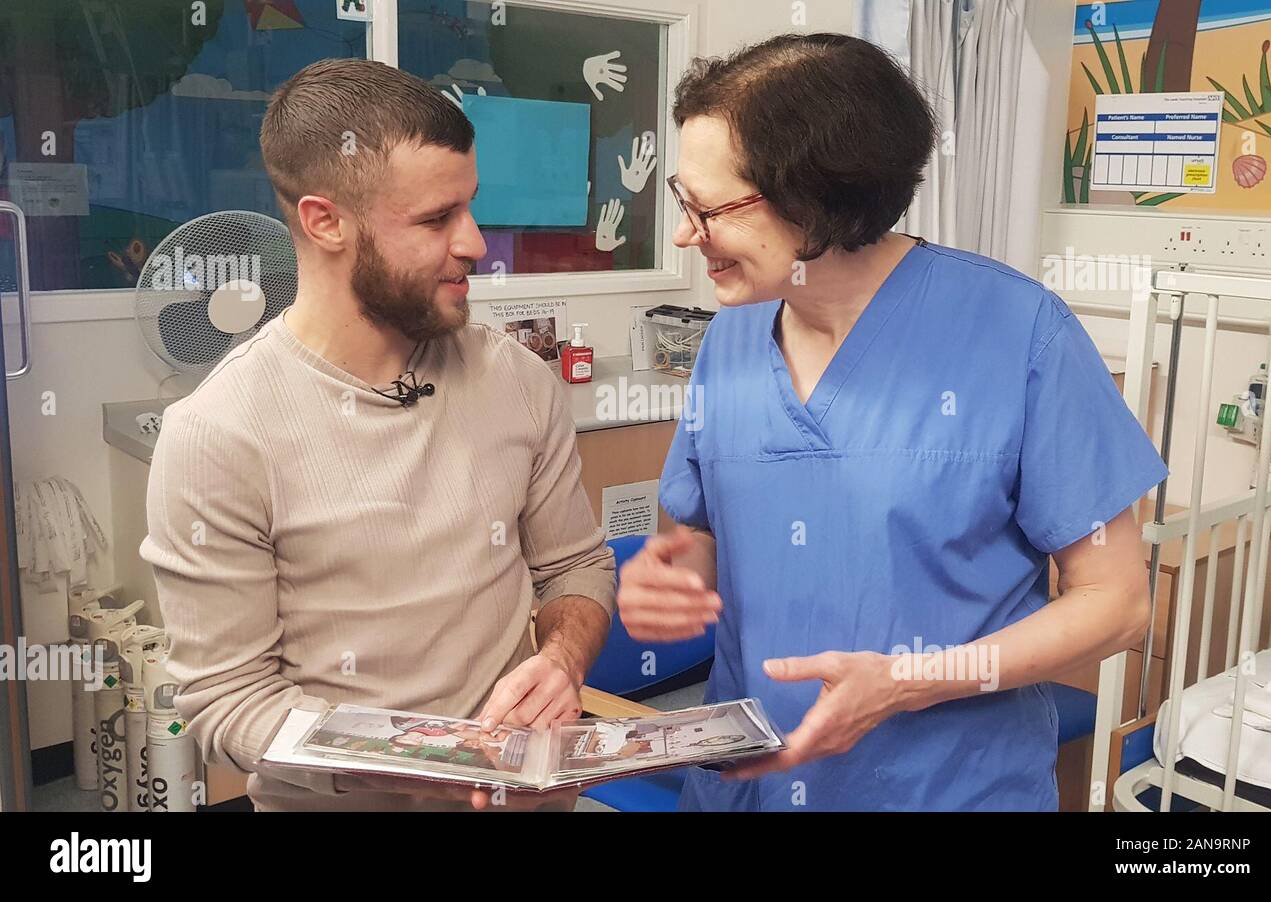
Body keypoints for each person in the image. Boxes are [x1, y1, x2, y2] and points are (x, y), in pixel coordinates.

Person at [616, 34, 1168, 811]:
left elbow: (1117, 606)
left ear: (816, 197)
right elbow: (701, 532)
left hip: (946, 789)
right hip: (749, 786)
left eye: (711, 210)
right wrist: (676, 575)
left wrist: (907, 683)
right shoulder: (731, 339)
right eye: (685, 200)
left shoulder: (1018, 333)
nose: (685, 233)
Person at [141, 58, 614, 811]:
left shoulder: (517, 381)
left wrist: (560, 661)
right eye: (435, 219)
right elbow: (228, 698)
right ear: (325, 221)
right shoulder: (219, 435)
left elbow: (576, 566)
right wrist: (428, 762)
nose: (475, 245)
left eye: (470, 208)